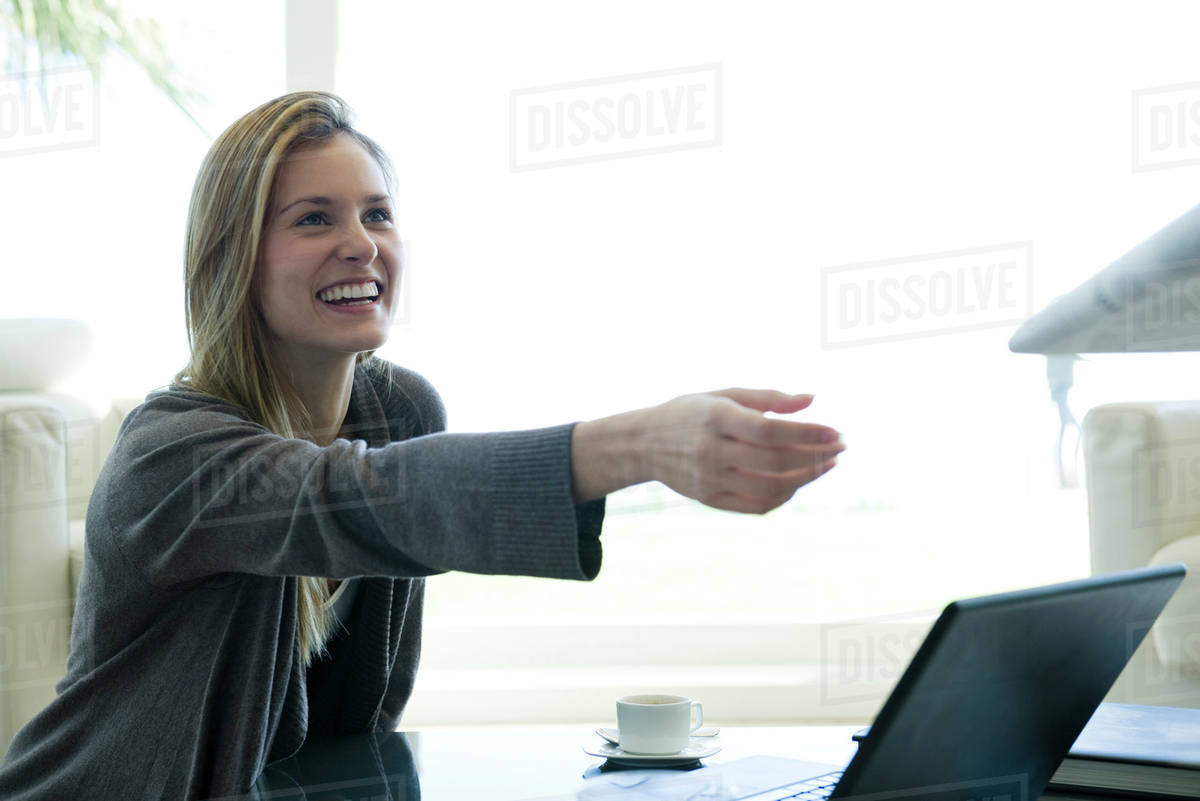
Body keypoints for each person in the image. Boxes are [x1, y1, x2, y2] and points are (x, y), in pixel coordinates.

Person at [0, 91, 845, 799]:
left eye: (377, 214)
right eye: (313, 218)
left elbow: (355, 729)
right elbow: (365, 501)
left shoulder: (400, 408)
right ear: (233, 261)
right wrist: (640, 446)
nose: (362, 242)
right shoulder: (169, 454)